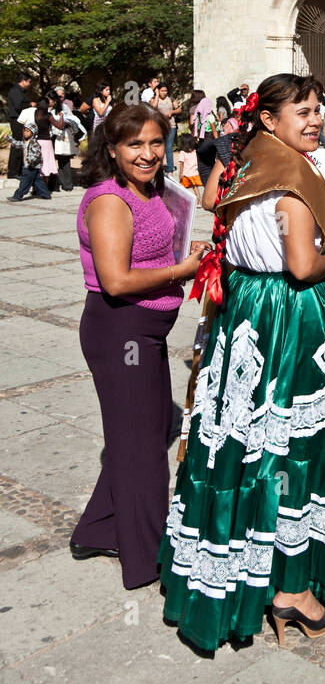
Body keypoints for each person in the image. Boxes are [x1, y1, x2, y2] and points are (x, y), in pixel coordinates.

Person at [160, 74, 325, 650]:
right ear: (269, 121)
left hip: (245, 313)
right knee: (297, 446)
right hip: (290, 316)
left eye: (318, 110)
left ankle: (231, 576)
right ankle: (291, 590)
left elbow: (210, 202)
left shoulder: (244, 165)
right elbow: (304, 265)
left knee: (241, 440)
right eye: (301, 112)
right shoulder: (290, 182)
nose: (315, 120)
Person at [70, 105, 207, 588]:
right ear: (111, 150)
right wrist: (181, 272)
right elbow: (117, 279)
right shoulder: (109, 200)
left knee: (140, 434)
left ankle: (99, 529)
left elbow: (150, 251)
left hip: (143, 332)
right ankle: (147, 559)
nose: (148, 154)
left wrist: (183, 255)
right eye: (135, 145)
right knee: (144, 447)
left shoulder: (150, 191)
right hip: (120, 331)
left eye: (155, 142)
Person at [6, 121, 51, 202]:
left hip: (30, 166)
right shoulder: (25, 142)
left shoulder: (34, 143)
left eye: (27, 131)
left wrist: (30, 160)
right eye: (24, 130)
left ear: (33, 133)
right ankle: (46, 194)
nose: (25, 133)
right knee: (38, 182)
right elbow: (17, 144)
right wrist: (10, 139)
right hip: (30, 167)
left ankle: (17, 196)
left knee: (24, 182)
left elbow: (37, 154)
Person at [5, 73, 32, 181]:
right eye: (29, 81)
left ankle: (18, 170)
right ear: (23, 81)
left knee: (20, 145)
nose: (30, 84)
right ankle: (13, 171)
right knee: (17, 144)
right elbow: (18, 106)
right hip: (17, 120)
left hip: (21, 120)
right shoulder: (16, 91)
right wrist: (30, 105)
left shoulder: (20, 91)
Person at [155, 84, 181, 172]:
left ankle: (170, 169)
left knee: (168, 147)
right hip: (159, 126)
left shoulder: (170, 98)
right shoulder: (154, 99)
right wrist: (157, 95)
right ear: (158, 90)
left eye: (165, 91)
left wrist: (172, 112)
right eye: (162, 91)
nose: (164, 93)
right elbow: (152, 107)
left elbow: (179, 109)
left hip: (171, 125)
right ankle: (159, 167)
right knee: (159, 146)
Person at [177, 134, 203, 200]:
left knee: (181, 188)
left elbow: (181, 165)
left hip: (186, 174)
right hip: (194, 173)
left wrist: (180, 174)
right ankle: (198, 201)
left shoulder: (182, 152)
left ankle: (182, 201)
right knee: (195, 188)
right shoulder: (195, 152)